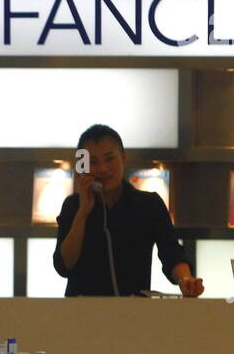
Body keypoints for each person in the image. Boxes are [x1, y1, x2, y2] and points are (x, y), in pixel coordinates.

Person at [54, 124, 204, 297]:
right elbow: (64, 266)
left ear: (123, 158)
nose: (103, 168)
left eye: (110, 159)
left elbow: (172, 253)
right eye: (93, 162)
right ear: (82, 166)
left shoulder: (149, 204)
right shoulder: (73, 206)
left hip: (134, 313)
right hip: (81, 313)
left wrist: (185, 280)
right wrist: (82, 213)